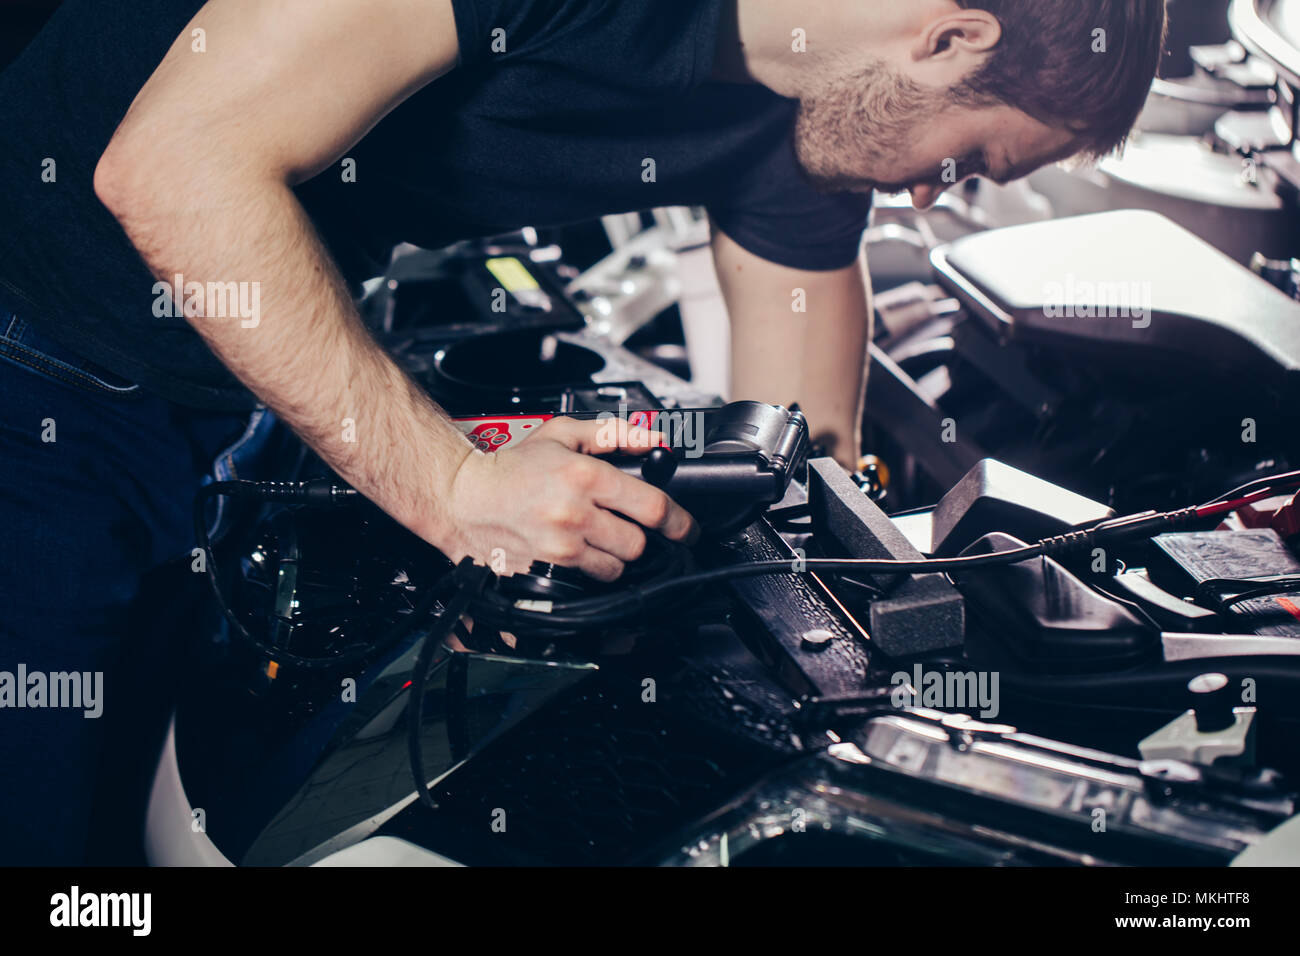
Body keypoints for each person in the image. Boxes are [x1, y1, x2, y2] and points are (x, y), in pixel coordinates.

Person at [0, 0, 1167, 863]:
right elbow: (170, 168)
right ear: (950, 37)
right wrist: (456, 485)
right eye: (962, 163)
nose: (927, 197)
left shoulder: (812, 124)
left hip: (210, 397)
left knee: (129, 805)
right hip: (30, 361)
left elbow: (800, 466)